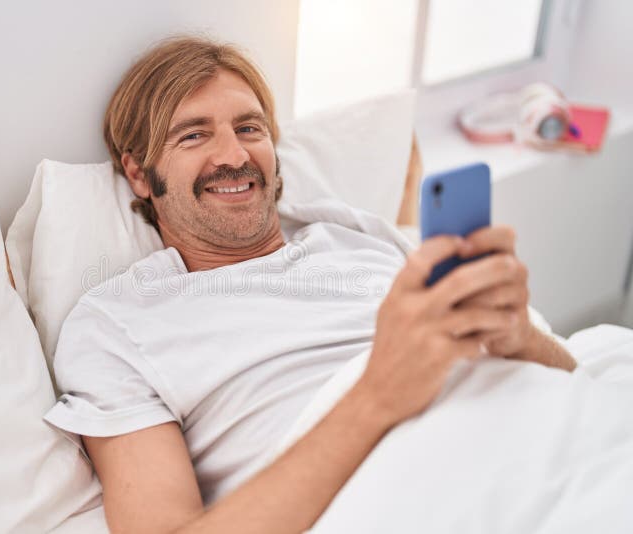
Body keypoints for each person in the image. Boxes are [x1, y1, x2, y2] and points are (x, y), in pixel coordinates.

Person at [43, 36, 577, 533]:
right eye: (195, 135)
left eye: (250, 129)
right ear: (139, 174)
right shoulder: (115, 325)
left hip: (549, 438)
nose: (234, 155)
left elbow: (570, 381)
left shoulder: (357, 233)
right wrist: (379, 395)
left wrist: (521, 339)